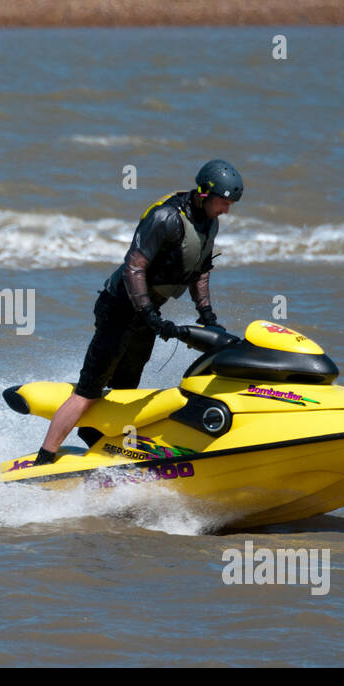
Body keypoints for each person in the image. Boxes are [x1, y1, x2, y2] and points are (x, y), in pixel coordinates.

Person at [32, 159, 243, 466]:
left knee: (125, 390)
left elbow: (200, 271)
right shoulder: (165, 218)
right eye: (223, 203)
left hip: (147, 313)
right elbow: (135, 265)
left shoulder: (210, 223)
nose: (226, 210)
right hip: (118, 309)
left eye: (229, 204)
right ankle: (44, 458)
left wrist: (207, 314)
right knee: (89, 390)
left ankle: (100, 445)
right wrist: (146, 312)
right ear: (203, 193)